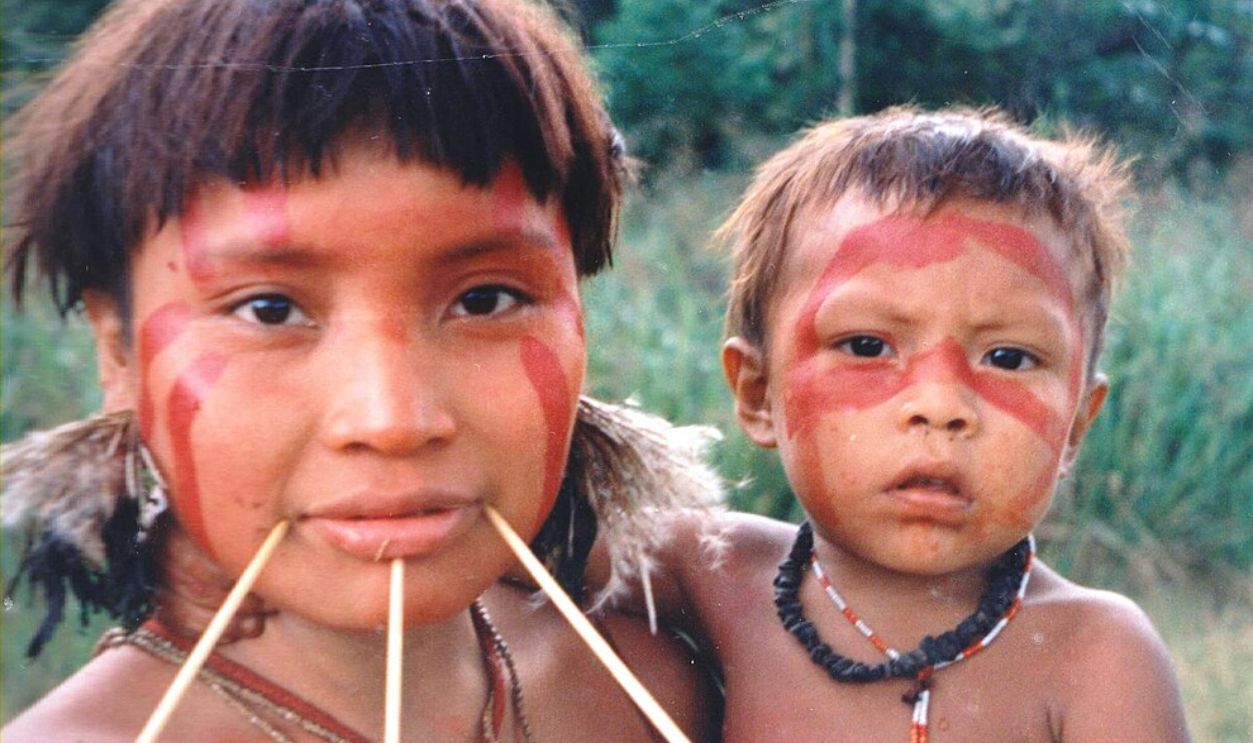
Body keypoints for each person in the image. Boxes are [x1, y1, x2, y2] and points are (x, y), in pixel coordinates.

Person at [0, 1, 723, 740]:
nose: (392, 420)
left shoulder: (652, 693)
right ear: (119, 352)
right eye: (269, 310)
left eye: (485, 298)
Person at [590, 107, 1191, 741]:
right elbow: (511, 535)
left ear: (1074, 425)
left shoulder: (1097, 657)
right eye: (868, 346)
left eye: (1008, 359)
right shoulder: (717, 573)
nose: (941, 404)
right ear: (759, 393)